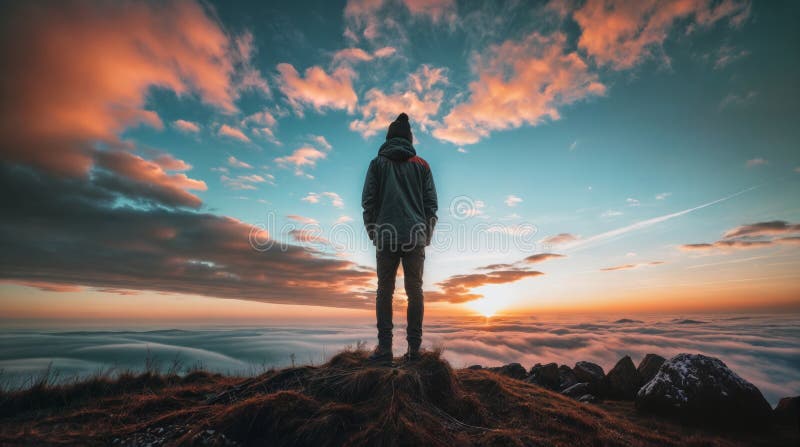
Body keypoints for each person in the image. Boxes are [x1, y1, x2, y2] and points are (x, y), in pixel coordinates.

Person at [361, 113, 437, 364]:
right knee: (415, 292)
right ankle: (414, 352)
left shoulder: (376, 163)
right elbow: (431, 205)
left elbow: (368, 202)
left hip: (386, 235)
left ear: (389, 137)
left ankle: (384, 350)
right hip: (415, 236)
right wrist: (426, 234)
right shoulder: (422, 165)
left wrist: (374, 232)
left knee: (385, 292)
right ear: (409, 138)